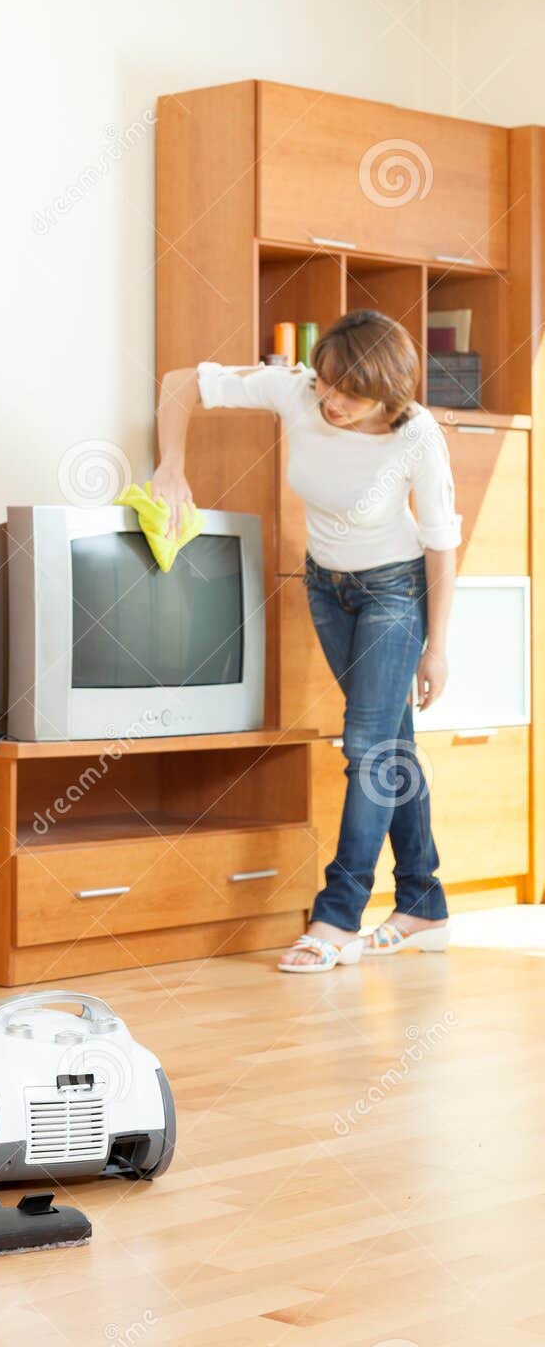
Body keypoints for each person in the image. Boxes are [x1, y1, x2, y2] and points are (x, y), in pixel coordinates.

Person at [153, 310, 461, 974]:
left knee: (367, 748)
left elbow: (439, 543)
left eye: (348, 394)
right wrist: (170, 467)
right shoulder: (295, 390)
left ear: (389, 395)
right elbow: (180, 383)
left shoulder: (418, 437)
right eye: (325, 384)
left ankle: (337, 917)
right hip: (327, 586)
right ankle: (423, 903)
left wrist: (436, 646)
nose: (329, 401)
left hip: (395, 591)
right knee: (388, 747)